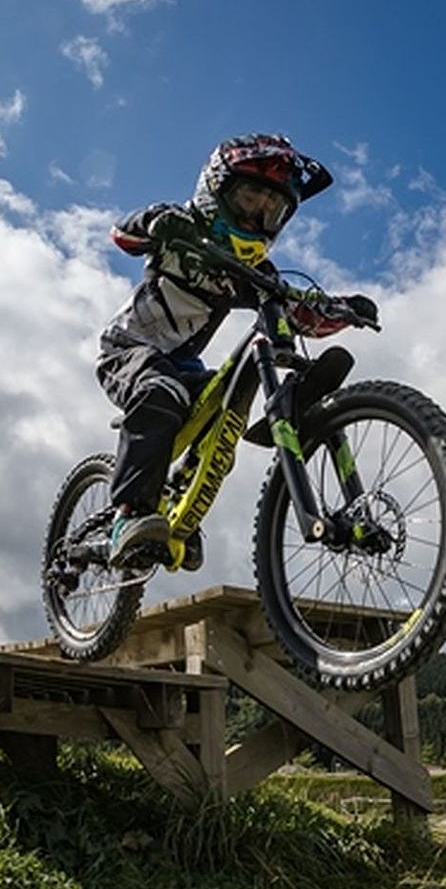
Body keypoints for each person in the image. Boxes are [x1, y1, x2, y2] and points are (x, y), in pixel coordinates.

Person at [93, 134, 374, 566]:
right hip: (128, 348)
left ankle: (178, 508)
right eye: (249, 199)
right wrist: (154, 222)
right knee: (159, 393)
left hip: (184, 364)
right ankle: (129, 514)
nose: (259, 215)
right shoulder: (178, 224)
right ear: (215, 191)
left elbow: (295, 313)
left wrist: (341, 310)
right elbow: (122, 235)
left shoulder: (253, 270)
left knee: (223, 406)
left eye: (272, 211)